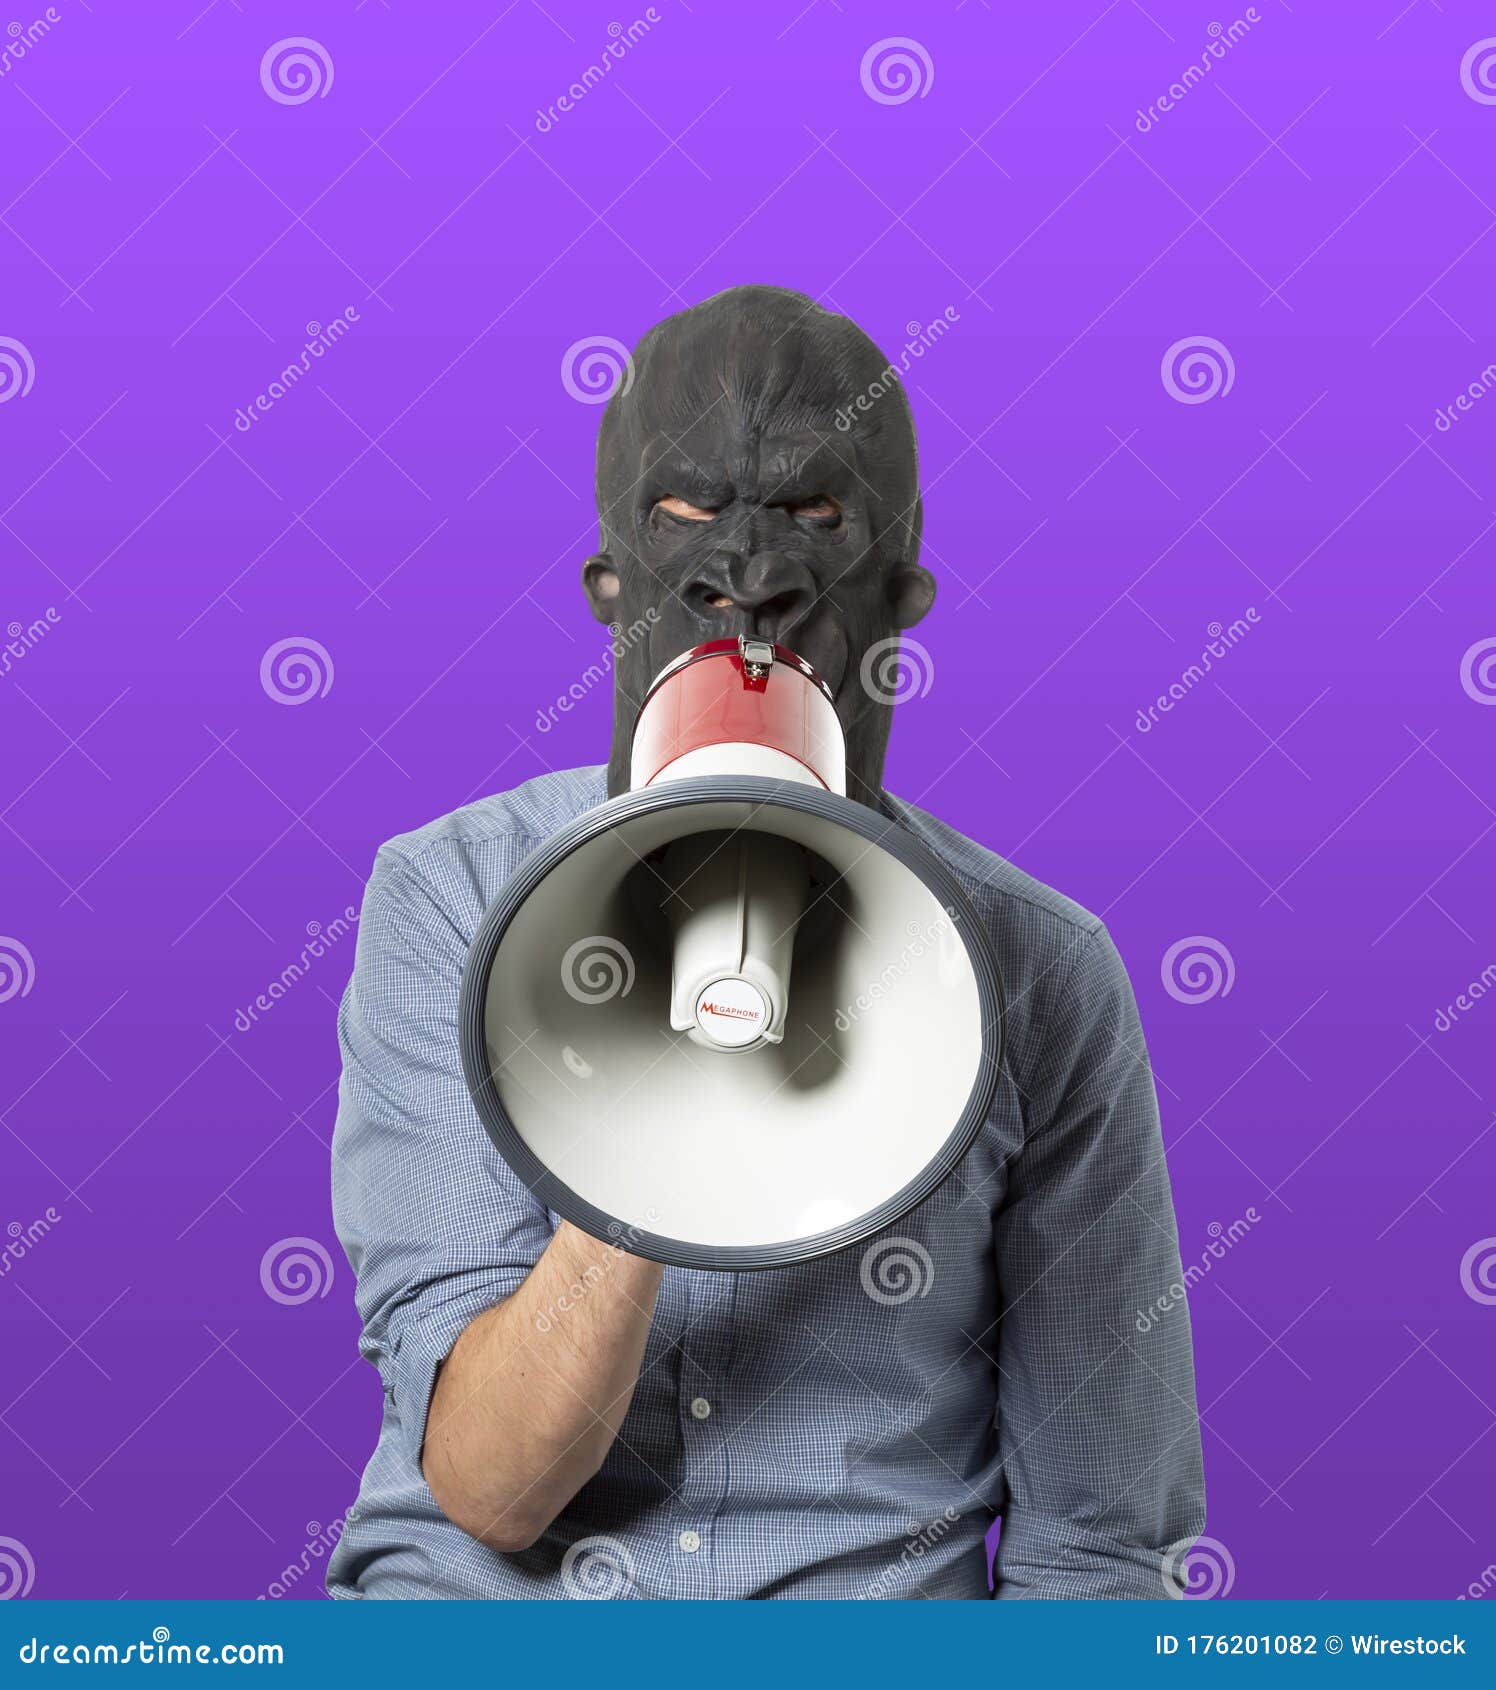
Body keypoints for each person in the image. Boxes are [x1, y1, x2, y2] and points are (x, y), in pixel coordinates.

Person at [326, 285, 1205, 1600]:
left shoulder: (1042, 971)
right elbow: (492, 1487)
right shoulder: (450, 898)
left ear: (902, 599)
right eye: (687, 519)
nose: (750, 584)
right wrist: (652, 1129)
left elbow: (1098, 1540)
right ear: (610, 584)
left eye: (813, 521)